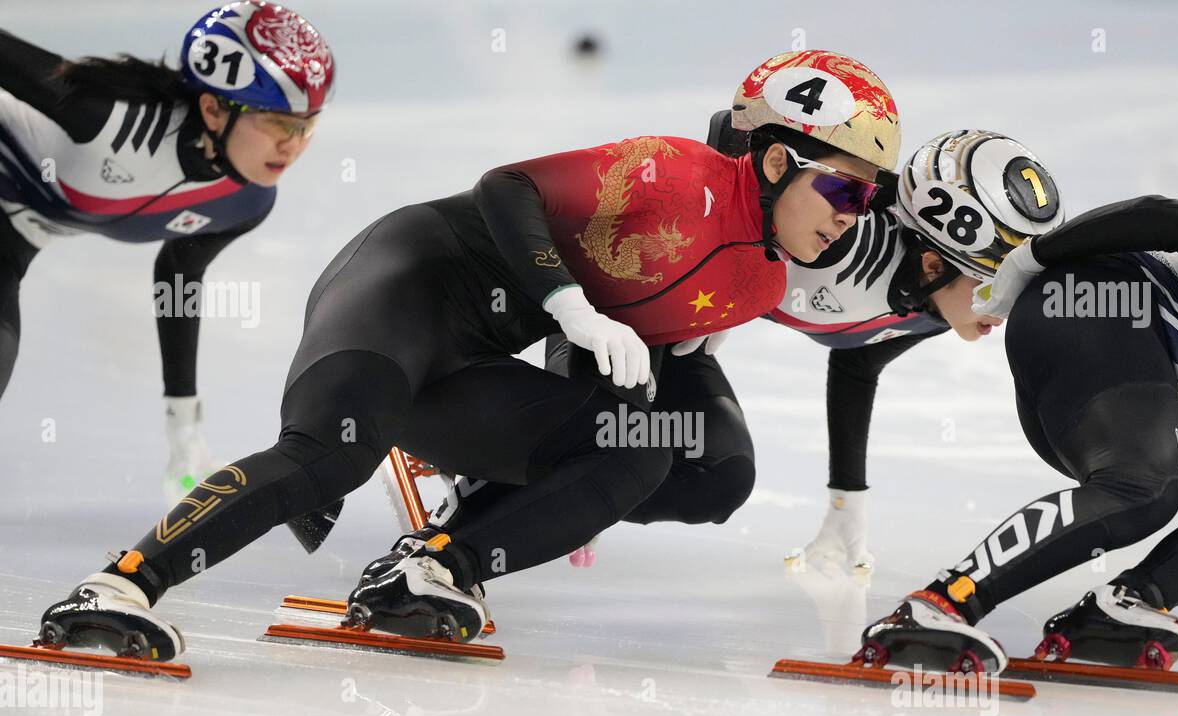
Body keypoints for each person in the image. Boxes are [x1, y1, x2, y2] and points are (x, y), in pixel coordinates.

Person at [37, 50, 901, 662]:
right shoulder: (675, 174)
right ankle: (118, 586)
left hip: (473, 364)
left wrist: (579, 448)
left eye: (870, 199)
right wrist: (568, 304)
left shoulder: (758, 284)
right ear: (780, 159)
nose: (853, 214)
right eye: (845, 188)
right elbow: (506, 188)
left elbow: (626, 367)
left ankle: (430, 566)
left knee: (650, 451)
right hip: (409, 283)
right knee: (332, 452)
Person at [547, 127, 1065, 579]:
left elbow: (858, 361)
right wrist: (724, 266)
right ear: (934, 263)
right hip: (617, 302)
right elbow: (734, 130)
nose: (1008, 307)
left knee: (720, 482)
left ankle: (545, 500)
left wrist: (847, 502)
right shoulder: (848, 224)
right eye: (997, 284)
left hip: (688, 323)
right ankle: (498, 512)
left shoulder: (938, 305)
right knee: (605, 452)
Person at [860, 167, 1178, 675]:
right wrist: (1031, 257)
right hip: (1084, 304)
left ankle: (1127, 606)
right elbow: (1153, 215)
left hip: (1107, 375)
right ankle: (940, 603)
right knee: (1143, 487)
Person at [0, 2, 333, 498]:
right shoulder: (108, 121)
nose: (294, 145)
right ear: (213, 108)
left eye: (307, 125)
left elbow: (178, 277)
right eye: (279, 123)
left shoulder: (244, 202)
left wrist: (184, 429)